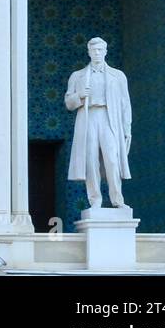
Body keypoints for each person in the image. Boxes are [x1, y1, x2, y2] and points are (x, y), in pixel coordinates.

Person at [64, 36, 132, 209]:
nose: (97, 53)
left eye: (100, 50)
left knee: (112, 159)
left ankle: (117, 200)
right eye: (93, 50)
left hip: (109, 117)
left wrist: (127, 128)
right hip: (89, 117)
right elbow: (68, 103)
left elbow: (125, 104)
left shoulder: (118, 76)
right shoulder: (78, 76)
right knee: (91, 159)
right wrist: (79, 95)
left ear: (105, 51)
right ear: (88, 52)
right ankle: (95, 200)